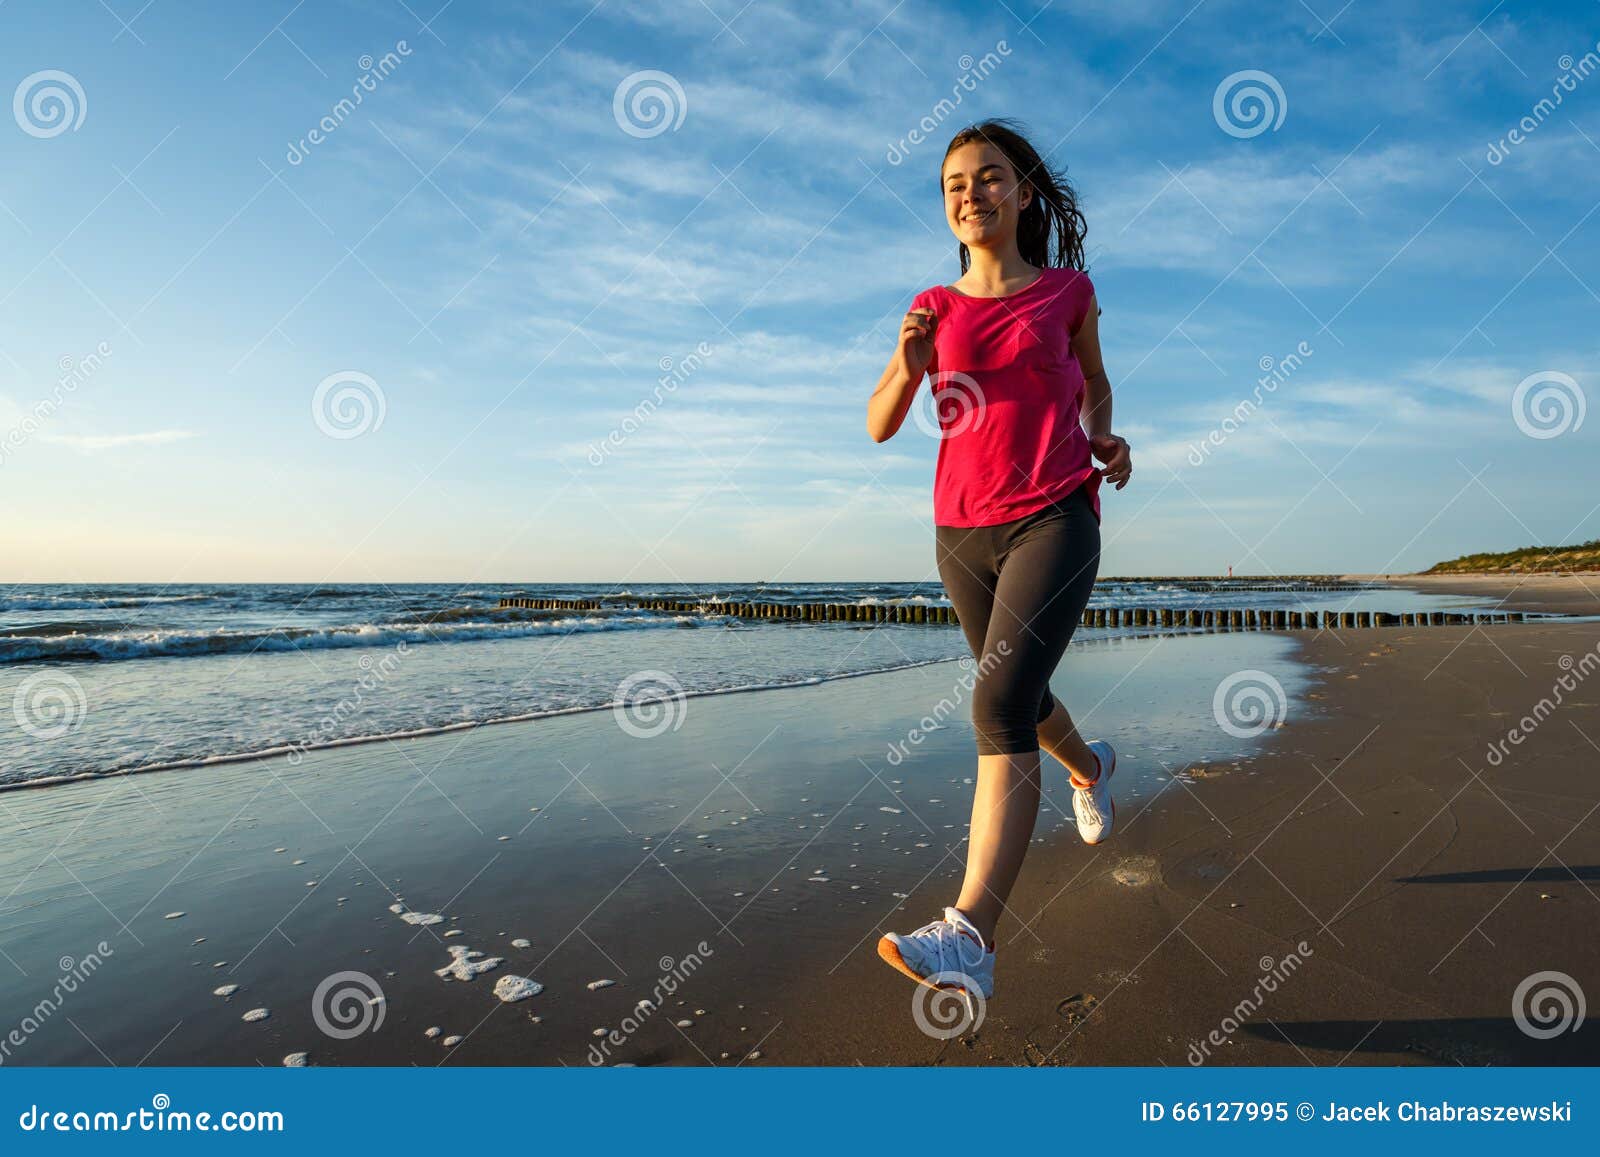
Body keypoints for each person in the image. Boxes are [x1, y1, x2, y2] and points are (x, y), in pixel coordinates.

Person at [865, 118, 1132, 1008]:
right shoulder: (933, 306)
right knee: (1021, 692)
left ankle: (972, 935)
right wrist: (907, 369)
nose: (970, 195)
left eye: (987, 179)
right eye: (954, 186)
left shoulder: (1067, 292)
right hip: (960, 530)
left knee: (997, 700)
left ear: (1021, 192)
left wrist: (1101, 435)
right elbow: (877, 422)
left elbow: (1093, 380)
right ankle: (1088, 765)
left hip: (1054, 513)